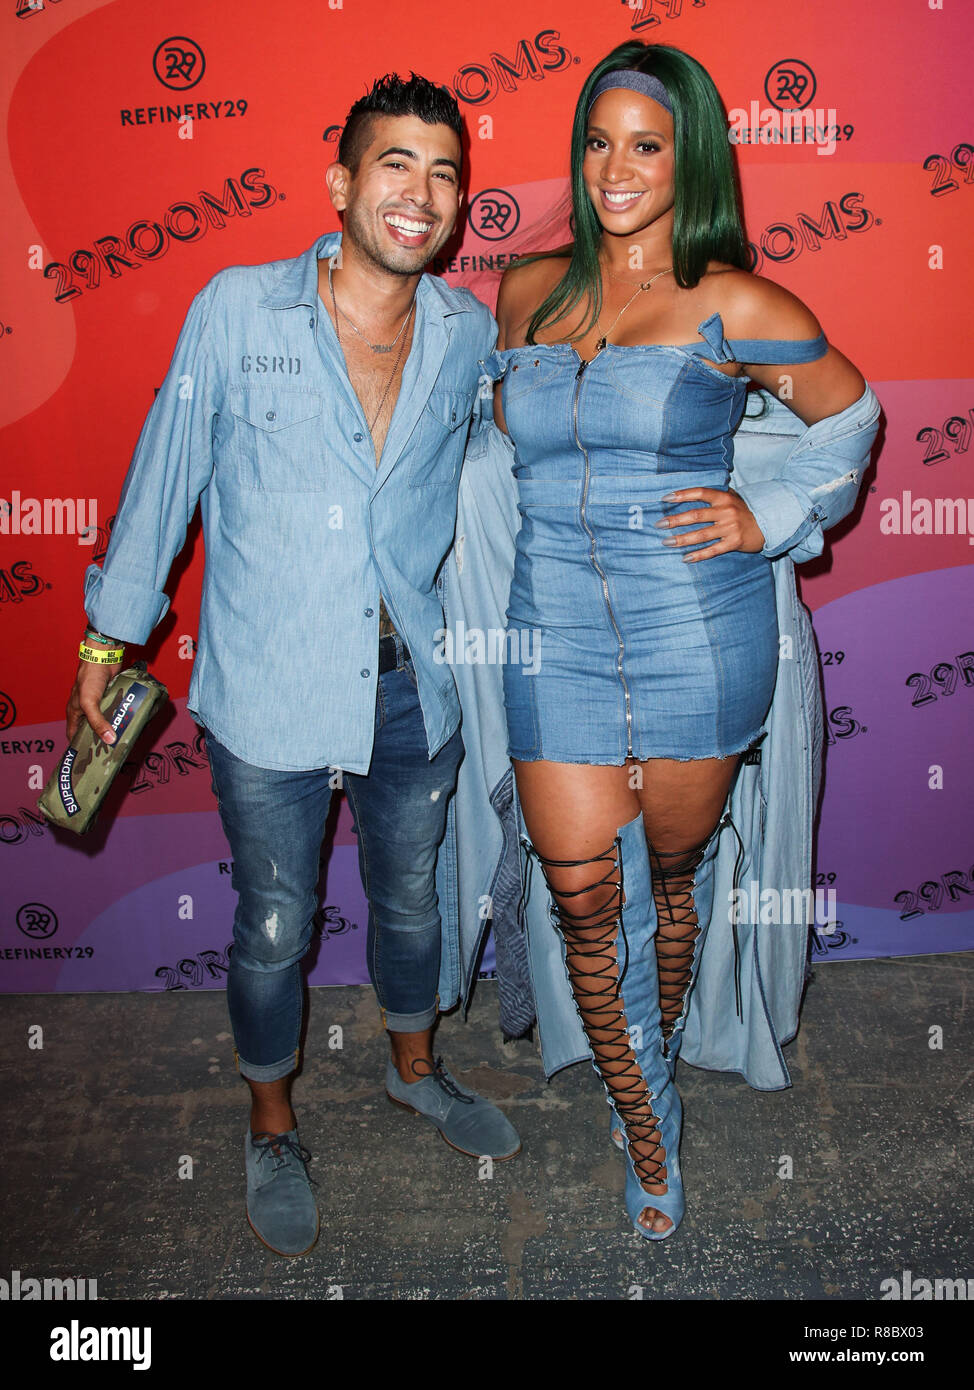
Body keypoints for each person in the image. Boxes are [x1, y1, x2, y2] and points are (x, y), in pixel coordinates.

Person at [65, 73, 520, 1260]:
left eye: (441, 173)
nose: (419, 195)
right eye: (393, 165)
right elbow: (165, 471)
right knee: (274, 921)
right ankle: (270, 1120)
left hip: (409, 684)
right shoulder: (237, 312)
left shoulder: (468, 329)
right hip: (268, 685)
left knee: (414, 898)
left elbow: (480, 474)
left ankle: (414, 1069)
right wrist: (107, 639)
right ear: (339, 185)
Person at [480, 41, 880, 1240]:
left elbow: (851, 417)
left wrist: (771, 514)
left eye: (644, 145)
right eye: (596, 142)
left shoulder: (736, 304)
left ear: (689, 156)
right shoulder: (525, 291)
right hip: (551, 631)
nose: (614, 168)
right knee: (580, 898)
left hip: (697, 635)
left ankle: (653, 1059)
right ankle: (648, 1123)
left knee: (670, 879)